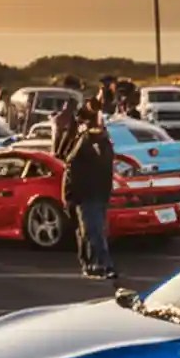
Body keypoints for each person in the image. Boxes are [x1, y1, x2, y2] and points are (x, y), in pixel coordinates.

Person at [64, 102, 117, 279]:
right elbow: (70, 167)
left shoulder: (102, 143)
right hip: (87, 196)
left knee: (94, 231)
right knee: (90, 232)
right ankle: (97, 264)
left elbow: (106, 170)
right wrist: (70, 195)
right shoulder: (86, 143)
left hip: (97, 195)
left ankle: (97, 264)